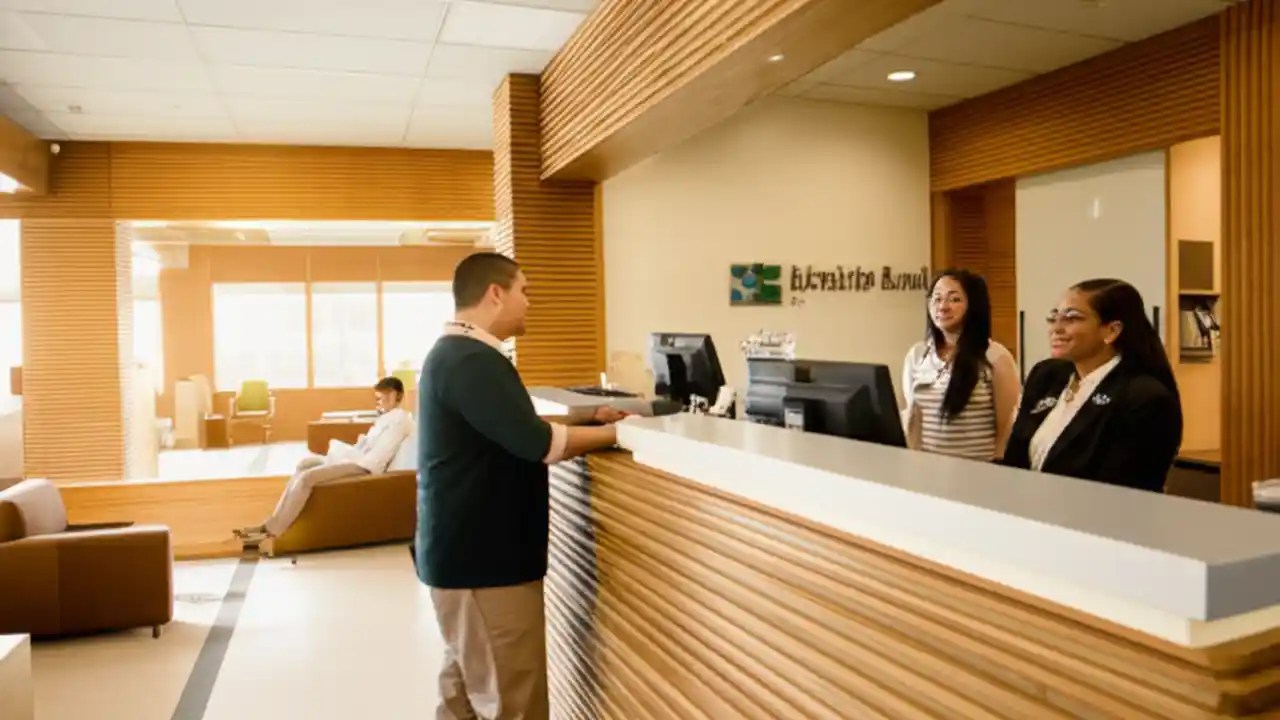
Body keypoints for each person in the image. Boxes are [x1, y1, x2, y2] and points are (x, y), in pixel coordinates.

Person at [417, 252, 625, 720]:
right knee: (514, 702)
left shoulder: (456, 355)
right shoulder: (472, 359)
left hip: (464, 560)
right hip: (486, 567)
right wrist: (619, 434)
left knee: (464, 697)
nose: (529, 302)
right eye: (524, 291)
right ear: (496, 293)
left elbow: (507, 428)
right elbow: (536, 443)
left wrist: (583, 418)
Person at [1002, 279, 1182, 493]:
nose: (1056, 329)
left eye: (1072, 318)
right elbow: (1016, 458)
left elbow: (1123, 491)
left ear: (1112, 331)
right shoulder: (1046, 375)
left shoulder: (1144, 397)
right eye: (1053, 317)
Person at [233, 376, 414, 543]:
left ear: (398, 396)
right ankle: (270, 523)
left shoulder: (401, 419)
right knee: (305, 465)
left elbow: (382, 449)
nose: (381, 401)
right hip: (358, 458)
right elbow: (368, 442)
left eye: (386, 396)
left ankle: (273, 530)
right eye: (379, 398)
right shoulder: (385, 419)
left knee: (306, 478)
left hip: (365, 466)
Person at [901, 269, 1020, 461]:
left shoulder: (995, 356)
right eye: (937, 298)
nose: (943, 306)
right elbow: (910, 417)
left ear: (973, 306)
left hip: (977, 473)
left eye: (954, 299)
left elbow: (1008, 429)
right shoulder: (917, 354)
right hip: (925, 470)